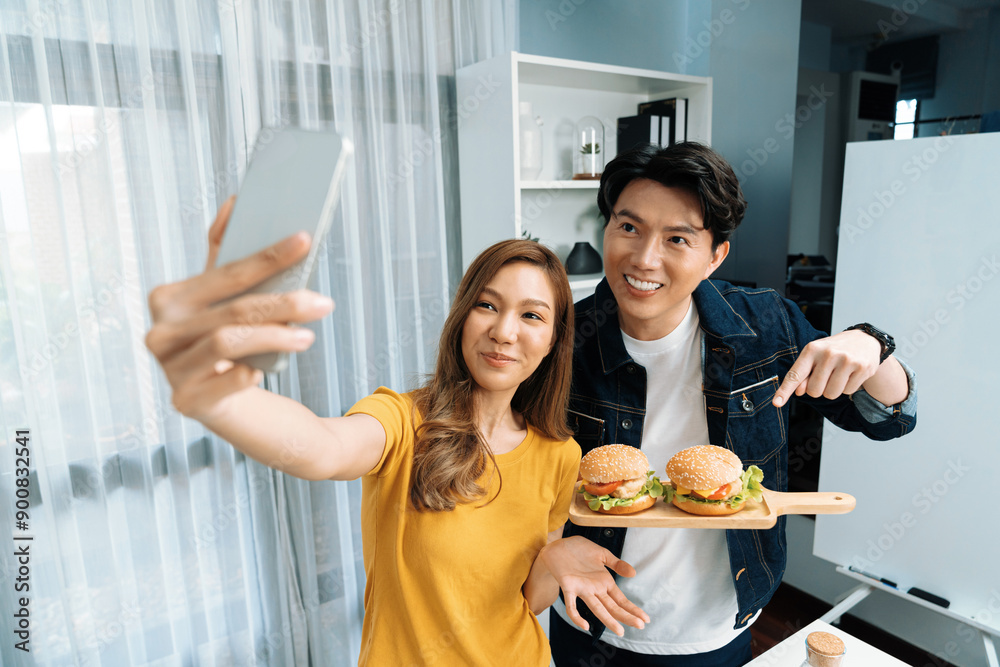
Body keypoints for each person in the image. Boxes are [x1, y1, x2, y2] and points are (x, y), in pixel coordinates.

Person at [144, 200, 649, 666]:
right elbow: (321, 448)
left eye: (532, 315)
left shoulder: (561, 454)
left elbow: (526, 602)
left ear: (554, 340)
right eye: (487, 305)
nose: (504, 331)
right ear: (462, 317)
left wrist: (555, 557)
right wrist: (223, 397)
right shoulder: (402, 421)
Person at [549, 142, 917, 667]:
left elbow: (889, 419)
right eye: (628, 227)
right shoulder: (562, 338)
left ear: (715, 256)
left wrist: (873, 346)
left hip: (718, 628)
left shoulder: (766, 325)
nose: (645, 259)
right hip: (587, 621)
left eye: (677, 239)